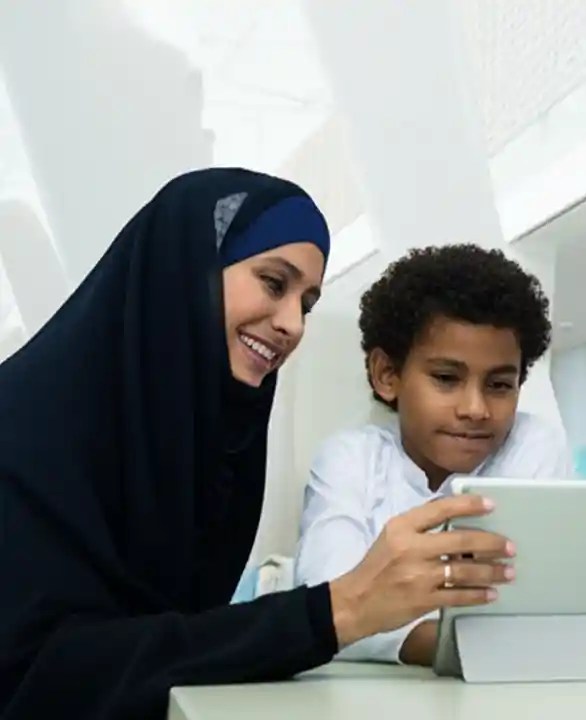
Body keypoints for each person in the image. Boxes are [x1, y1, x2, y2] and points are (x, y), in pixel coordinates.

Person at [0, 169, 513, 719]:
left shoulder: (211, 447)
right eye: (273, 283)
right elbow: (37, 674)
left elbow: (173, 646)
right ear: (186, 271)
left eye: (307, 303)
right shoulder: (24, 429)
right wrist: (336, 611)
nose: (292, 324)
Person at [296, 243, 570, 666]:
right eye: (446, 378)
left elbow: (542, 605)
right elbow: (325, 604)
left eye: (499, 385)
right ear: (387, 375)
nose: (475, 409)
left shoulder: (532, 446)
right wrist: (453, 647)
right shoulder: (350, 461)